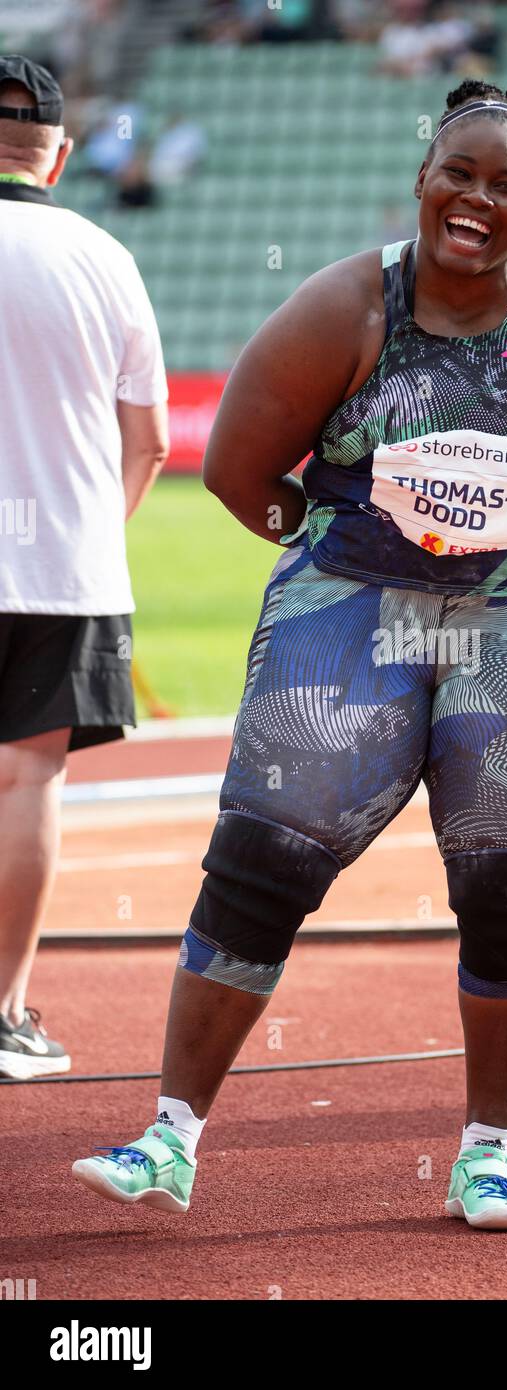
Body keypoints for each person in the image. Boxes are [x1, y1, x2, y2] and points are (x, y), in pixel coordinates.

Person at [72, 79, 507, 1230]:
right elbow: (240, 471)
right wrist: (339, 542)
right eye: (461, 173)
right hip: (354, 596)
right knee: (263, 861)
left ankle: (486, 1153)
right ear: (422, 177)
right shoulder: (342, 306)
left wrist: (505, 559)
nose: (477, 198)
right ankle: (169, 1138)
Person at [0, 56, 169, 1079]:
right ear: (58, 157)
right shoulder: (104, 255)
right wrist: (89, 534)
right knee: (27, 779)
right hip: (61, 566)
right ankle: (5, 1012)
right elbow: (146, 440)